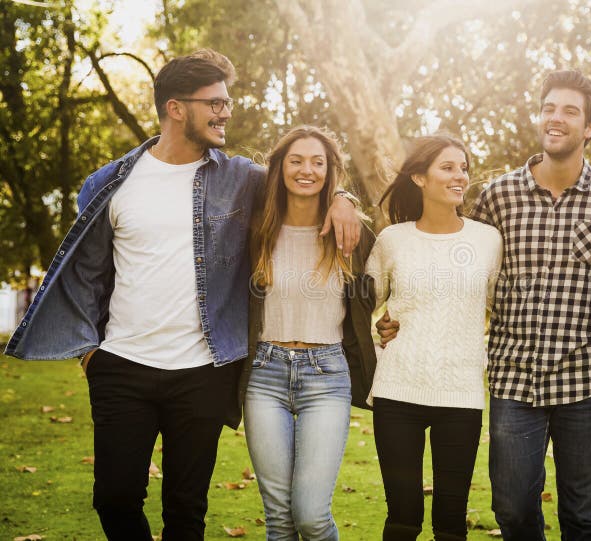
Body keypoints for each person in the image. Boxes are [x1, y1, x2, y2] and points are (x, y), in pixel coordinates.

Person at [3, 50, 360, 540]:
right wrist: (91, 354)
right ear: (176, 108)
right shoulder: (109, 184)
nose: (226, 112)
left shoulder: (240, 179)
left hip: (203, 372)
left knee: (186, 510)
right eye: (215, 103)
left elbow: (303, 177)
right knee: (114, 498)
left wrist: (344, 198)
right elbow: (86, 274)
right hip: (123, 365)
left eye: (227, 101)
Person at [376, 70, 591, 540]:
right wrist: (401, 313)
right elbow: (449, 251)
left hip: (588, 380)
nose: (555, 118)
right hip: (513, 378)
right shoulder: (498, 196)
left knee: (583, 519)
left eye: (569, 110)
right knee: (513, 512)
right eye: (548, 108)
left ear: (590, 127)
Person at [241, 125, 377, 541]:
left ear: (330, 171)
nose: (307, 170)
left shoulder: (352, 232)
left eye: (318, 162)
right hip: (264, 375)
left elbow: (385, 290)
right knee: (279, 520)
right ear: (279, 167)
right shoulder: (255, 231)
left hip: (327, 375)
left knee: (312, 517)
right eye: (296, 160)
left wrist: (345, 200)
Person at [366, 134, 503, 541]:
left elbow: (502, 308)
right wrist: (378, 333)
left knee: (450, 518)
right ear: (419, 177)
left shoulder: (487, 240)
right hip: (396, 391)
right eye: (448, 167)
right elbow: (360, 305)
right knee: (403, 517)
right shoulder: (393, 239)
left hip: (460, 393)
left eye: (463, 167)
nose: (459, 175)